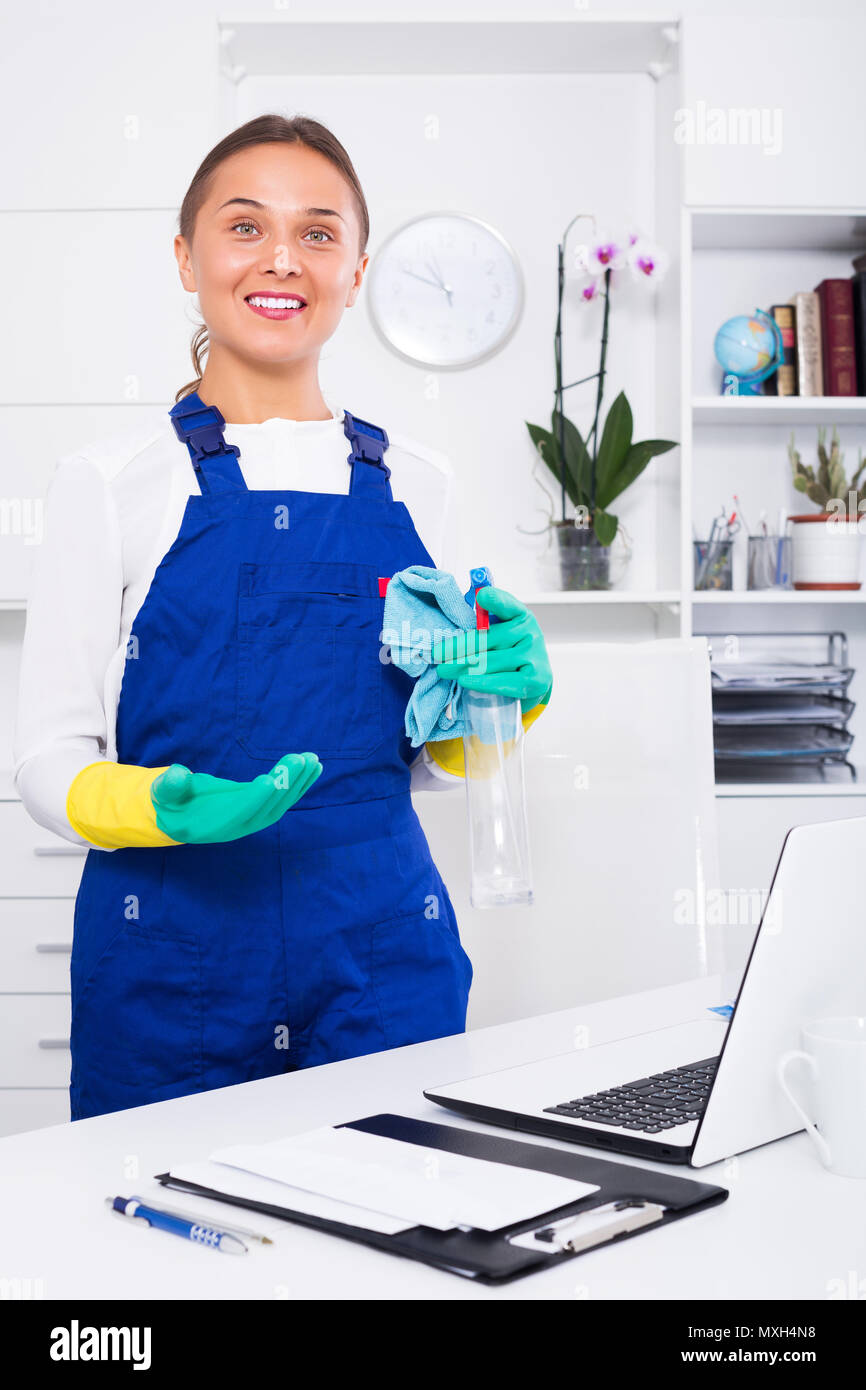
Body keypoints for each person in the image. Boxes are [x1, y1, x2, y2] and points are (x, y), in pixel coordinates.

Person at [13, 113, 553, 1122]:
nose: (281, 260)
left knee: (395, 1232)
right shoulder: (107, 482)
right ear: (186, 256)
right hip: (172, 947)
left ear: (354, 271)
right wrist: (155, 807)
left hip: (382, 942)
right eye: (244, 225)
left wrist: (500, 707)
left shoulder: (417, 487)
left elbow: (433, 757)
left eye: (317, 233)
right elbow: (46, 759)